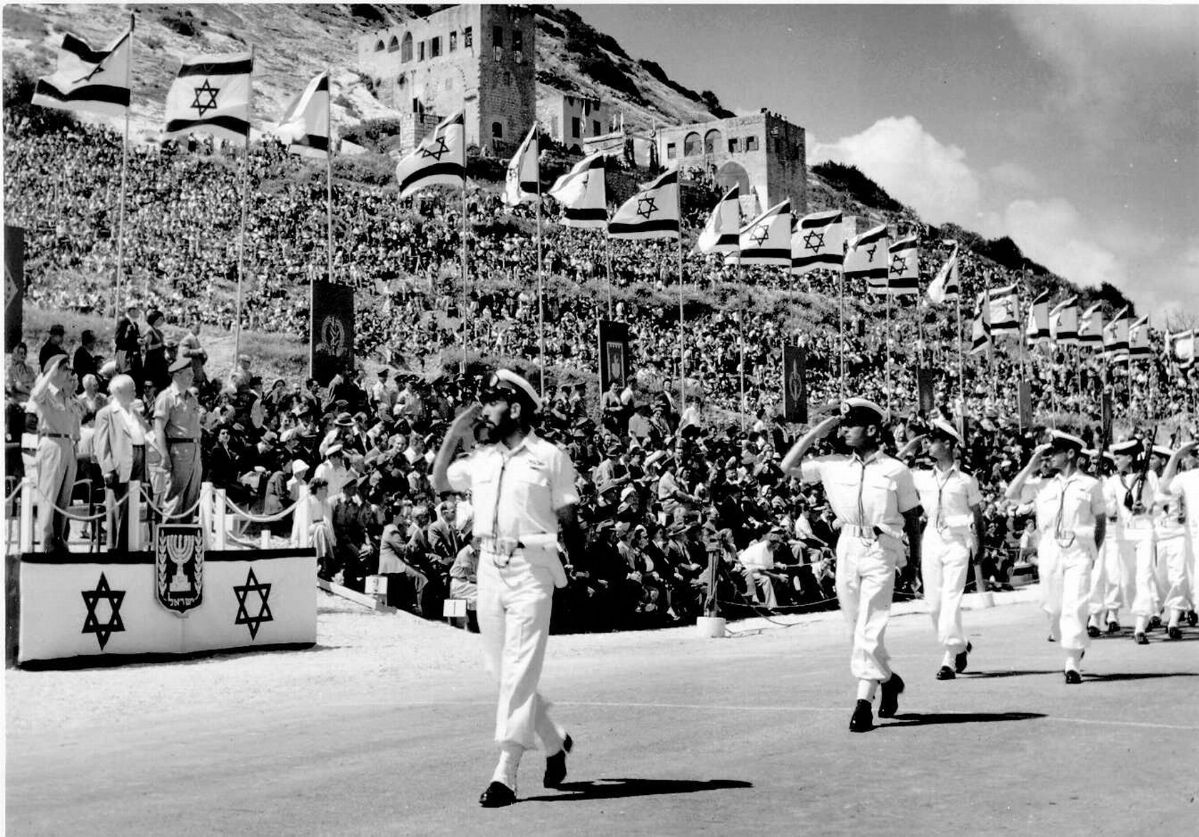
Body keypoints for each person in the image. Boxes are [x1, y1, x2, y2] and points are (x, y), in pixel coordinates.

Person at [432, 368, 584, 808]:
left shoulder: (551, 456)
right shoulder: (482, 457)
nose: (485, 410)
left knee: (518, 670)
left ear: (514, 408)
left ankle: (506, 772)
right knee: (501, 672)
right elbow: (440, 481)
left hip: (533, 568)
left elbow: (569, 518)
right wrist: (454, 431)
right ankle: (555, 743)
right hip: (488, 567)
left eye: (492, 403)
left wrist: (576, 566)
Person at [780, 398, 921, 732]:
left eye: (849, 425)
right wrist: (820, 429)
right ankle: (887, 678)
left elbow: (912, 518)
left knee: (871, 624)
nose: (842, 431)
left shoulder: (896, 470)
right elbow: (787, 466)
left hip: (882, 547)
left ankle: (863, 702)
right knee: (855, 627)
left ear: (872, 430)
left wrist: (914, 561)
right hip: (847, 546)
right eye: (840, 426)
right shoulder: (833, 465)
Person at [1004, 431, 1106, 683]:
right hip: (1050, 548)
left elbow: (1101, 522)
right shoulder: (1043, 485)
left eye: (1054, 453)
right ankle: (1070, 639)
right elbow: (1012, 494)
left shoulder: (1090, 485)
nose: (1049, 458)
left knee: (1076, 603)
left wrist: (1093, 551)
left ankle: (1072, 662)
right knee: (1054, 606)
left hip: (1079, 548)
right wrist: (1031, 464)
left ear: (1070, 454)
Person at [905, 419, 984, 680]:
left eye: (933, 440)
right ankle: (960, 644)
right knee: (933, 603)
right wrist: (912, 444)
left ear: (948, 444)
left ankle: (949, 658)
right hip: (932, 540)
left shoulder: (965, 480)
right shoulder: (921, 476)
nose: (928, 444)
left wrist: (979, 547)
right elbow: (895, 467)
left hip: (958, 541)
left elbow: (978, 515)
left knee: (951, 598)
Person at [28, 354, 83, 553]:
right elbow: (35, 395)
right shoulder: (47, 393)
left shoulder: (67, 396)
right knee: (49, 496)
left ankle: (60, 539)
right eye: (65, 368)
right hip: (51, 442)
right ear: (55, 371)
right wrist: (50, 372)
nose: (69, 372)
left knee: (64, 498)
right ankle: (47, 542)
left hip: (68, 444)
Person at [93, 374, 154, 551]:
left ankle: (129, 544)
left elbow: (147, 432)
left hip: (138, 457)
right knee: (117, 505)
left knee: (132, 504)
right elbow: (101, 443)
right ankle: (115, 547)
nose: (135, 391)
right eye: (132, 388)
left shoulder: (135, 412)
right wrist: (107, 468)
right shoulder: (106, 414)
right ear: (119, 391)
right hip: (119, 463)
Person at [153, 357, 203, 521]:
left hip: (194, 448)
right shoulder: (166, 397)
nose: (192, 377)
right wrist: (164, 455)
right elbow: (158, 427)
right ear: (177, 375)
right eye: (188, 374)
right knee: (174, 498)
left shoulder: (191, 397)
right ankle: (168, 539)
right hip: (178, 449)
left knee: (191, 498)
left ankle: (186, 537)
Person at [114, 304, 143, 386]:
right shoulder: (123, 322)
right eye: (137, 311)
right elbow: (118, 340)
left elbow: (135, 338)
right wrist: (135, 342)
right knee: (126, 381)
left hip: (134, 358)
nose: (139, 313)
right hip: (125, 358)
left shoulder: (135, 324)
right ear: (132, 311)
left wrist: (140, 340)